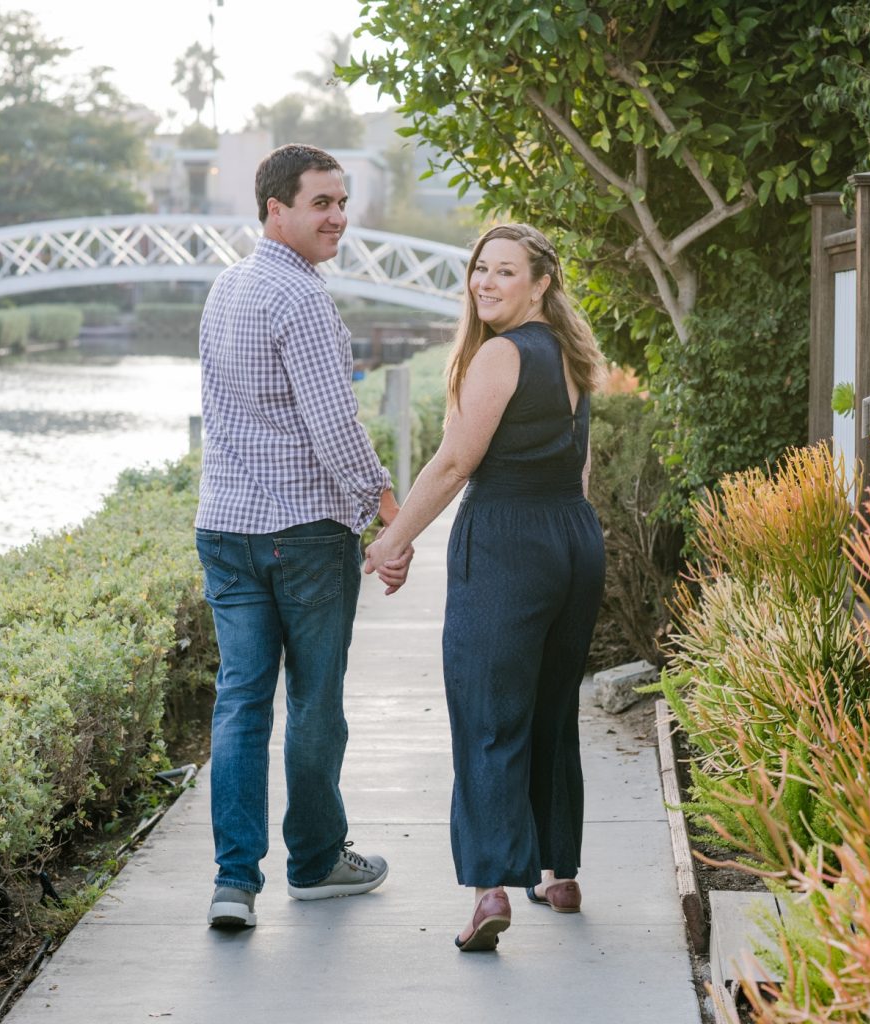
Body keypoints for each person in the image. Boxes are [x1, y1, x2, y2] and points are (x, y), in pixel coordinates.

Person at [363, 223, 606, 952]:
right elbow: (583, 470)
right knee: (551, 706)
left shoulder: (499, 354)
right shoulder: (572, 355)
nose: (485, 283)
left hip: (506, 542)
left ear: (540, 284)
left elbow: (451, 465)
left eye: (505, 272)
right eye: (479, 270)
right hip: (572, 538)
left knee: (487, 713)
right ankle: (558, 873)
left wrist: (392, 540)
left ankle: (490, 890)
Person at [195, 143, 413, 930]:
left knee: (241, 703)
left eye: (343, 201)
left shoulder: (224, 289)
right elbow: (334, 427)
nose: (340, 218)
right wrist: (392, 512)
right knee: (315, 699)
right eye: (322, 202)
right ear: (274, 209)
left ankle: (233, 883)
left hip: (224, 527)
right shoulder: (304, 300)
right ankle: (317, 862)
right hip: (303, 535)